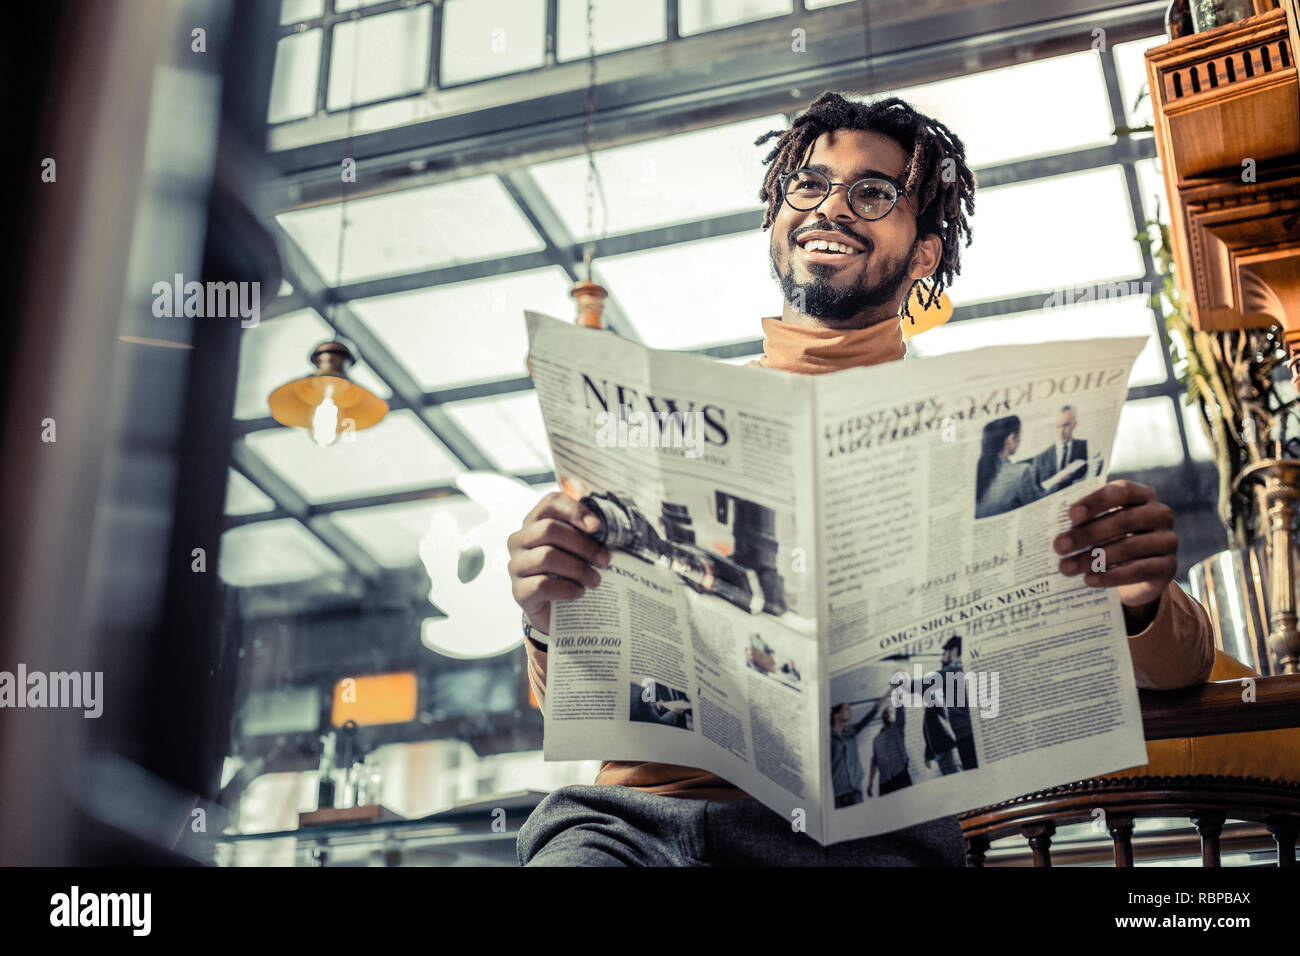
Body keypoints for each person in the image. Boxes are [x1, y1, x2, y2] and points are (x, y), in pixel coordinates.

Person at [506, 92, 1216, 867]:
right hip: (635, 829)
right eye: (807, 185)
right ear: (778, 219)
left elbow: (1181, 672)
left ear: (924, 255)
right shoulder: (658, 430)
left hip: (864, 842)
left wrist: (1144, 599)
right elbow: (572, 703)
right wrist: (546, 613)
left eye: (873, 193)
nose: (830, 208)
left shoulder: (998, 436)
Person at [973, 415, 1041, 519]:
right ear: (1010, 439)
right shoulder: (1022, 472)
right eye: (1019, 435)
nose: (1020, 440)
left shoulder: (976, 475)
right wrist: (1057, 483)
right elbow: (1037, 508)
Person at [831, 699, 885, 807]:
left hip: (855, 789)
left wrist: (889, 692)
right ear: (836, 715)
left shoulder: (851, 731)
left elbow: (868, 718)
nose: (850, 710)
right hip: (838, 792)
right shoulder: (827, 738)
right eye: (846, 708)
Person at [938, 635, 977, 772]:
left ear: (954, 651)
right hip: (973, 731)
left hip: (965, 735)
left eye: (944, 653)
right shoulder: (966, 666)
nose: (941, 657)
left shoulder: (952, 669)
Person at [1033, 405, 1089, 494]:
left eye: (1065, 425)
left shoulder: (1086, 446)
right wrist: (1057, 482)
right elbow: (1036, 493)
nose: (1061, 431)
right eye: (1058, 426)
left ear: (1074, 424)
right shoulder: (1041, 459)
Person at [867, 705, 911, 796]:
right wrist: (870, 783)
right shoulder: (876, 739)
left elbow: (900, 710)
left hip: (901, 776)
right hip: (884, 782)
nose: (888, 714)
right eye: (885, 712)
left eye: (891, 712)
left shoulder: (897, 729)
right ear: (882, 717)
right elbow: (874, 762)